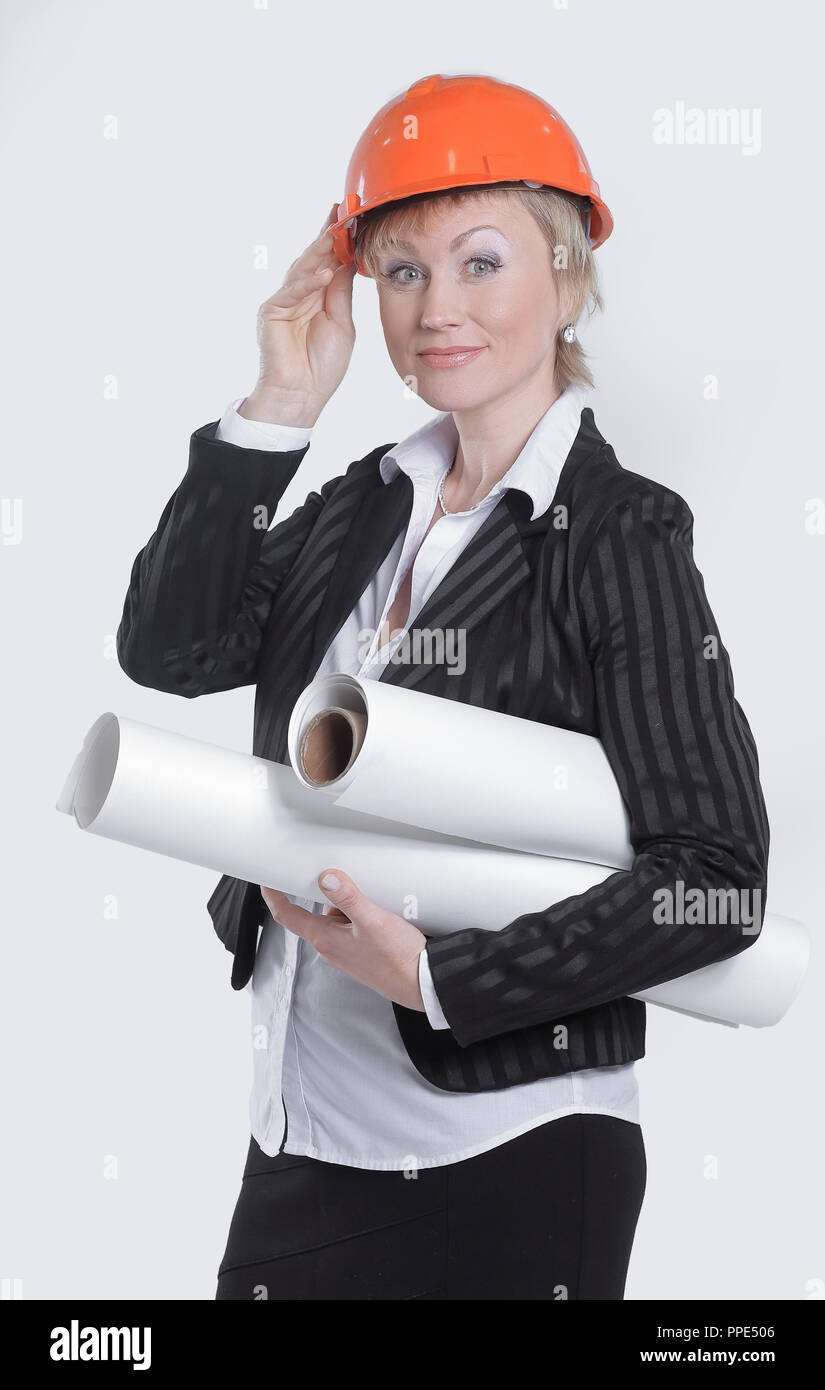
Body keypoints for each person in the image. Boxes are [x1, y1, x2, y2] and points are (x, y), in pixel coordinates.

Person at [116, 75, 769, 1301]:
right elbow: (170, 649)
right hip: (299, 1137)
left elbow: (717, 882)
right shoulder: (366, 500)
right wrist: (278, 408)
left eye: (481, 262)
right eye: (403, 271)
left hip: (506, 1150)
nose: (436, 310)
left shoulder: (618, 532)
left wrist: (436, 978)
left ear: (568, 279)